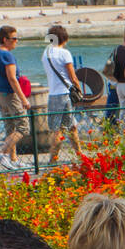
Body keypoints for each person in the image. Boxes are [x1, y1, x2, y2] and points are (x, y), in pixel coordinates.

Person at [41, 24, 85, 166]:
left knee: (71, 127)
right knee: (61, 129)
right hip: (65, 94)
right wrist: (79, 90)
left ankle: (79, 154)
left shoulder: (46, 53)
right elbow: (72, 76)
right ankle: (53, 160)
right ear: (64, 38)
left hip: (53, 94)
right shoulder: (64, 53)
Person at [0, 26, 28, 169]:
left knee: (10, 127)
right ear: (5, 40)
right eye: (14, 38)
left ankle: (13, 159)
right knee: (23, 127)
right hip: (10, 95)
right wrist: (23, 98)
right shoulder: (7, 56)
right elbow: (12, 78)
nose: (16, 41)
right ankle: (2, 153)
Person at [103, 23, 125, 123]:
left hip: (119, 85)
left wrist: (115, 80)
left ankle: (122, 132)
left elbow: (108, 68)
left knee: (122, 111)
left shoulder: (117, 49)